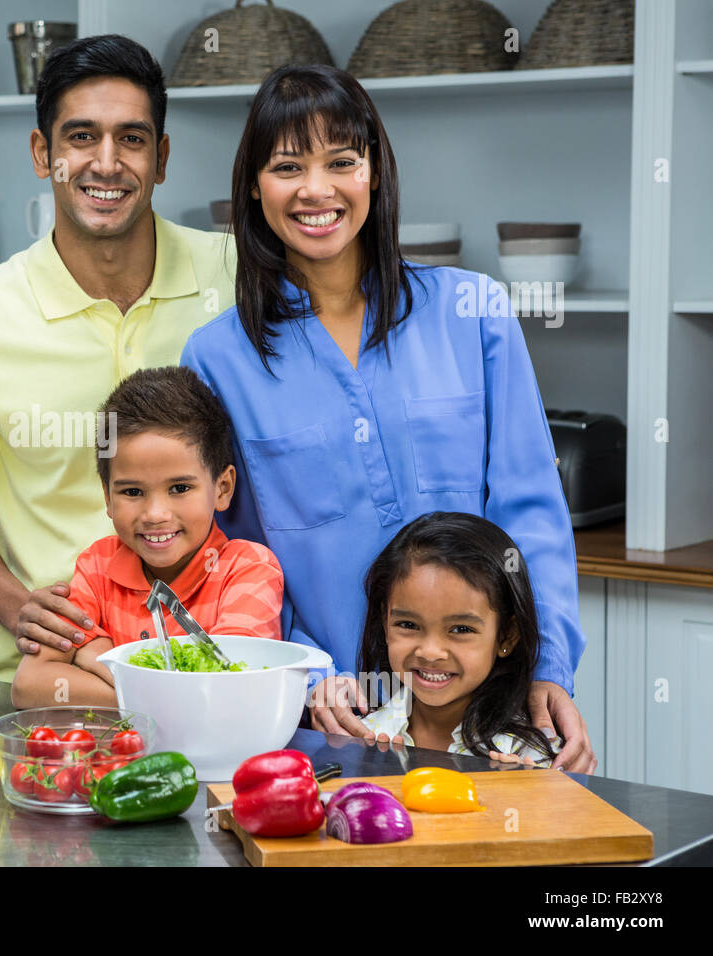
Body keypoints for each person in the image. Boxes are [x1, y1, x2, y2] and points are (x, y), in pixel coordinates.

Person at [179, 64, 596, 773]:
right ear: (253, 186)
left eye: (342, 161)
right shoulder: (217, 356)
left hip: (497, 715)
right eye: (288, 167)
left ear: (374, 171)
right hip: (329, 728)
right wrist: (305, 683)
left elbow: (530, 512)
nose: (318, 190)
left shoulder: (476, 312)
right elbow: (233, 561)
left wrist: (549, 664)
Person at [0, 36, 235, 684]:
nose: (106, 163)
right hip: (45, 692)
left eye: (132, 139)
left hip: (212, 677)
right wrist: (19, 606)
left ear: (161, 157)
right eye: (81, 137)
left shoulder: (236, 283)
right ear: (43, 154)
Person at [10, 367, 285, 708]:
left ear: (222, 488)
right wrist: (157, 698)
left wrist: (98, 655)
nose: (155, 514)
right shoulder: (97, 566)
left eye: (180, 488)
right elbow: (30, 685)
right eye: (133, 491)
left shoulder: (247, 569)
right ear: (107, 497)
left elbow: (221, 692)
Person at [357, 512, 561, 767]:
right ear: (385, 624)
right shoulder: (363, 739)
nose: (430, 652)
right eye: (408, 625)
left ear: (506, 636)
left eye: (461, 629)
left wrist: (520, 795)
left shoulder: (530, 755)